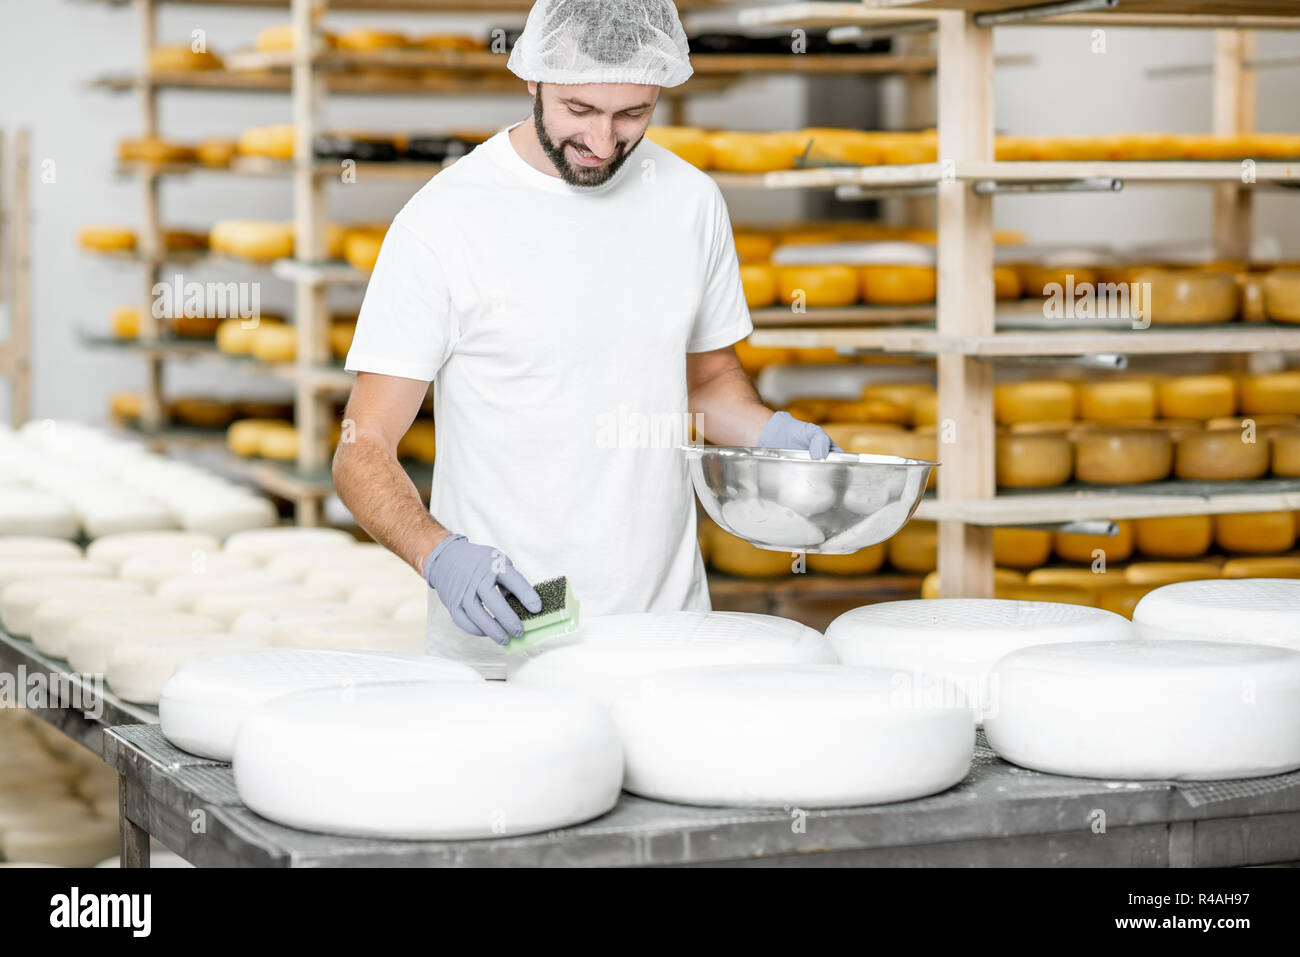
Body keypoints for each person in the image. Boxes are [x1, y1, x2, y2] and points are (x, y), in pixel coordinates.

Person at [333, 0, 839, 667]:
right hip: (509, 642)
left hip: (666, 635)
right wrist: (438, 553)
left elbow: (708, 384)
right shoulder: (443, 222)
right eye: (580, 110)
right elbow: (361, 447)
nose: (603, 143)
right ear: (533, 78)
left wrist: (770, 433)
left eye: (632, 115)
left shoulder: (690, 202)